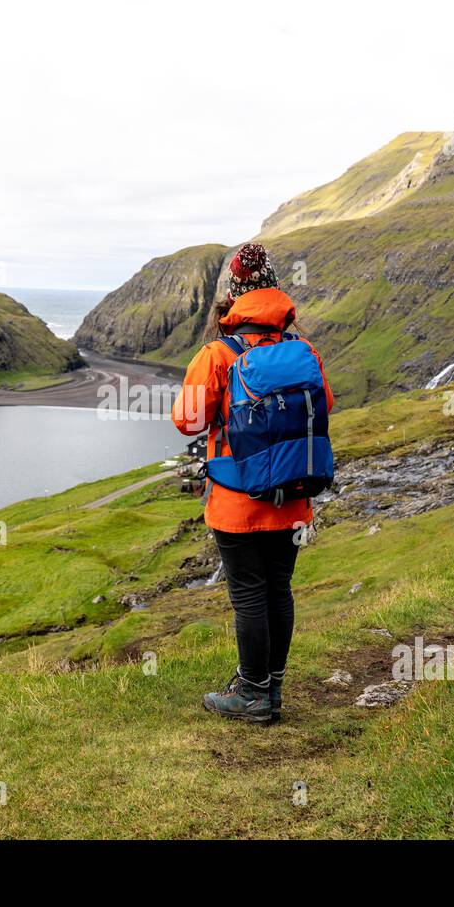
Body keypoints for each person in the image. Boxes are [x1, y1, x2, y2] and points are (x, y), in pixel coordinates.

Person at [171, 243, 333, 724]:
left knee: (247, 593)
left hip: (238, 500)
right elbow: (326, 405)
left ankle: (254, 693)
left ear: (231, 297)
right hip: (293, 494)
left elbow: (188, 422)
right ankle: (271, 687)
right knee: (278, 588)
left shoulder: (218, 353)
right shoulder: (302, 350)